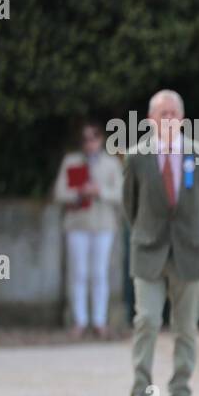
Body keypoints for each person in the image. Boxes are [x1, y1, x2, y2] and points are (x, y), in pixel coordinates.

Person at [122, 89, 199, 396]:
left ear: (183, 120)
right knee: (146, 321)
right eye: (161, 114)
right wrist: (147, 233)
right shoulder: (135, 157)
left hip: (190, 252)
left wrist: (186, 235)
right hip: (147, 250)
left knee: (185, 329)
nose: (167, 119)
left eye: (173, 113)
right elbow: (129, 207)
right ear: (149, 121)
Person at [52, 120, 124, 339]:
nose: (89, 143)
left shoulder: (111, 164)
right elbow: (59, 193)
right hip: (77, 224)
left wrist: (98, 191)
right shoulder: (71, 161)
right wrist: (78, 193)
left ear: (100, 140)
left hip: (103, 225)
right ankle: (80, 321)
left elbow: (121, 194)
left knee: (99, 273)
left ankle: (100, 321)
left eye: (93, 138)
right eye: (85, 139)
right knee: (79, 274)